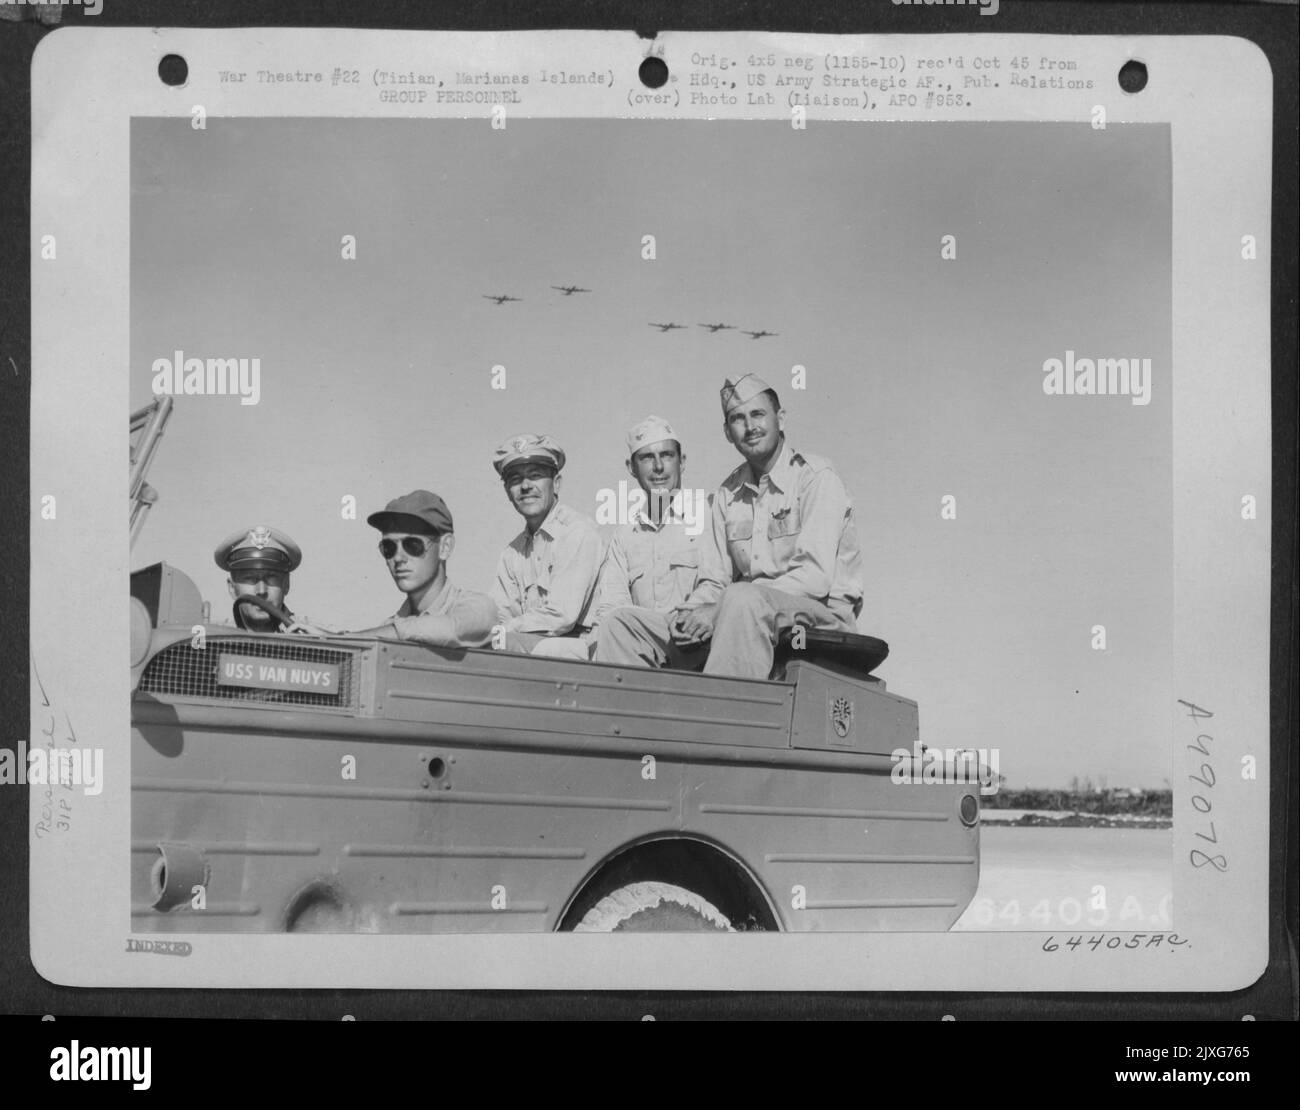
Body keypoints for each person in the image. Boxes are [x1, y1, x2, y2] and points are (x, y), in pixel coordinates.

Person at [672, 373, 864, 679]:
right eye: (737, 419)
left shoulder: (816, 478)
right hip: (747, 614)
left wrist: (720, 608)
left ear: (781, 419)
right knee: (626, 626)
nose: (749, 428)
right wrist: (685, 614)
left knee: (741, 597)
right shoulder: (726, 494)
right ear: (726, 431)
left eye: (758, 414)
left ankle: (722, 722)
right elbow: (713, 581)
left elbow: (814, 578)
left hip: (820, 620)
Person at [592, 416, 707, 669]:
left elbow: (719, 588)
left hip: (695, 643)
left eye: (666, 455)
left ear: (682, 461)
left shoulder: (707, 519)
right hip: (640, 649)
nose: (658, 467)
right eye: (646, 458)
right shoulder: (625, 537)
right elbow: (612, 604)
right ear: (631, 468)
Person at [490, 433, 603, 658]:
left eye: (535, 475)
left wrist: (502, 633)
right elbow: (499, 615)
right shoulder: (512, 552)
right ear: (507, 492)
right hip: (536, 647)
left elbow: (562, 616)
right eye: (515, 479)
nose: (525, 486)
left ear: (556, 483)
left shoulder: (576, 530)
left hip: (585, 650)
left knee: (499, 644)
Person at [344, 490, 497, 649]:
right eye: (388, 547)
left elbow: (451, 629)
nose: (398, 558)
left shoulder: (478, 608)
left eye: (412, 545)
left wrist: (352, 638)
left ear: (445, 547)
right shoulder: (388, 628)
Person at [214, 525, 302, 633]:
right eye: (250, 578)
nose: (261, 591)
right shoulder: (211, 641)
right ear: (232, 587)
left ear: (286, 584)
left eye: (271, 577)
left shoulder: (318, 642)